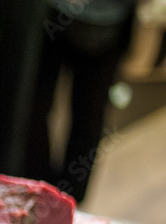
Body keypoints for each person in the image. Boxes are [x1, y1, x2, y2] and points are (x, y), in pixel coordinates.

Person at [24, 0, 138, 202]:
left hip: (111, 21)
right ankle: (41, 193)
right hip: (53, 15)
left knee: (90, 115)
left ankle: (70, 203)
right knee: (34, 109)